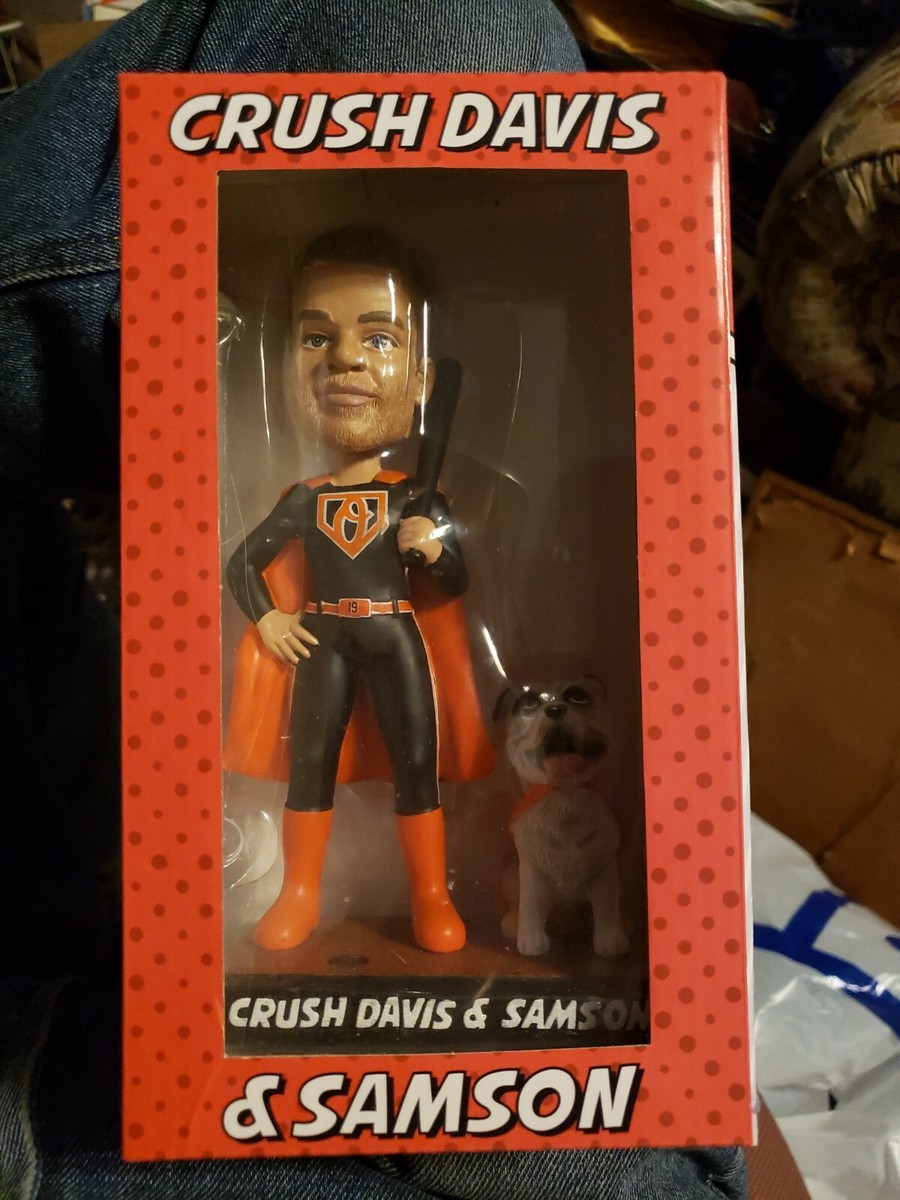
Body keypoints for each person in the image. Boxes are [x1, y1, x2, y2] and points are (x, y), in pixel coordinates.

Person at [225, 227, 493, 954]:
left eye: (378, 339)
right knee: (308, 766)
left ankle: (431, 896)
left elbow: (454, 581)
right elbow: (241, 564)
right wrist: (269, 620)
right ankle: (299, 893)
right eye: (316, 338)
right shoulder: (301, 498)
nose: (345, 358)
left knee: (417, 765)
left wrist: (431, 548)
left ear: (421, 381)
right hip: (323, 636)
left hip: (393, 630)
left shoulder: (415, 497)